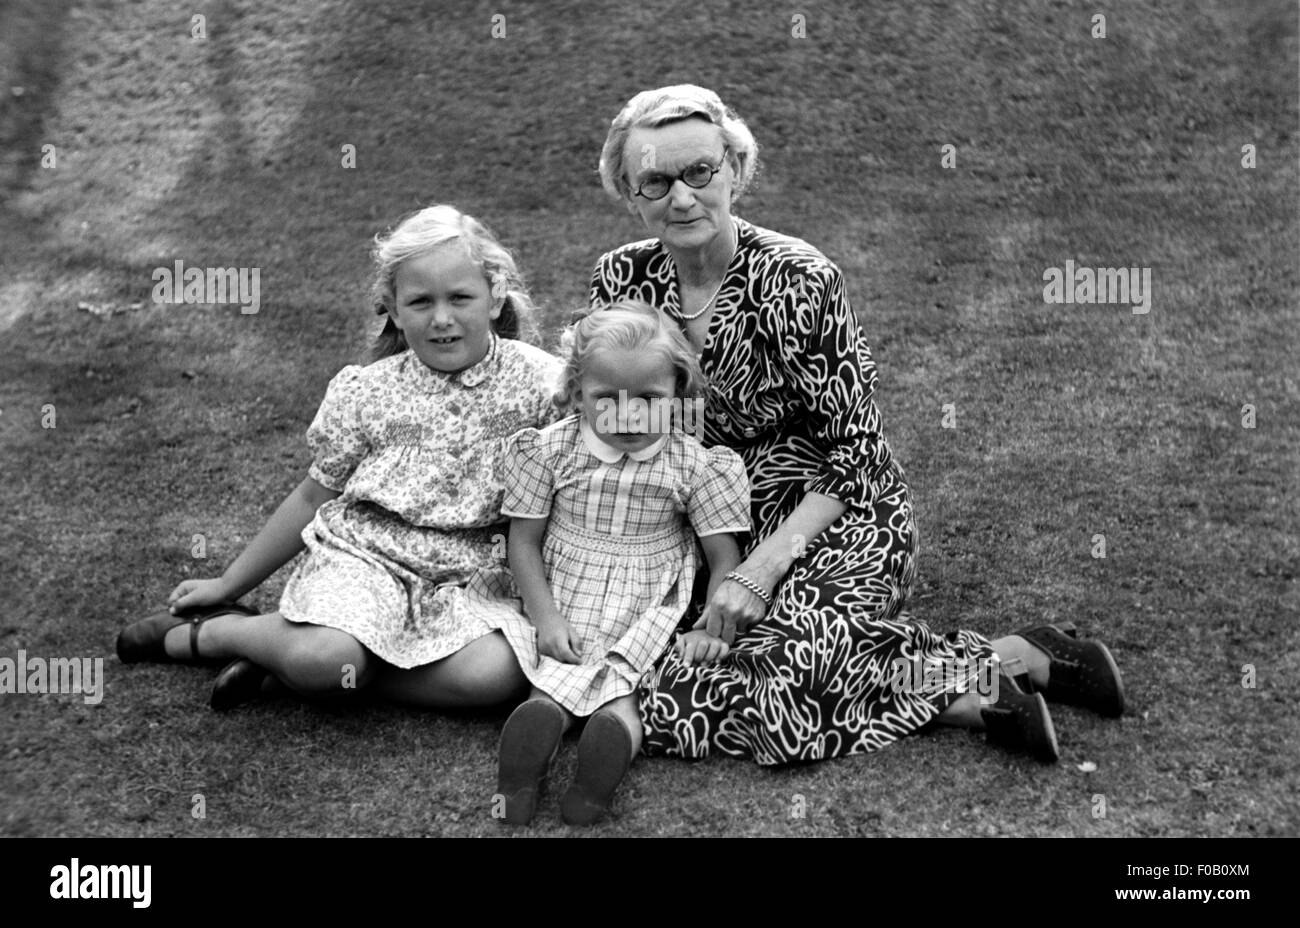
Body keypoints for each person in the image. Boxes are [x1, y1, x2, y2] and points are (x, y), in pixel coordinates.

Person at [589, 84, 1126, 766]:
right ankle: (987, 680)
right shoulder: (619, 280)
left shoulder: (800, 278)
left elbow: (853, 451)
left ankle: (1008, 661)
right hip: (703, 519)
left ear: (735, 169)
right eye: (656, 181)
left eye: (700, 171)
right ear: (630, 193)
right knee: (654, 665)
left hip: (834, 511)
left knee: (783, 668)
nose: (683, 197)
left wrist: (760, 570)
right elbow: (605, 409)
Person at [115, 204, 562, 712]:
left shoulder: (544, 384)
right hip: (368, 562)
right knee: (327, 660)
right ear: (393, 309)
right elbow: (313, 494)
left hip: (474, 576)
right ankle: (221, 632)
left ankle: (294, 676)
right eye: (420, 302)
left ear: (495, 294)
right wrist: (228, 582)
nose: (442, 319)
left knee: (495, 677)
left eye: (460, 297)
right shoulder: (367, 392)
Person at [486, 299, 750, 825]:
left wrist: (713, 629)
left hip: (650, 595)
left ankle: (596, 778)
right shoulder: (548, 451)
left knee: (630, 687)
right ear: (577, 392)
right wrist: (545, 617)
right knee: (556, 672)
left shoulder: (696, 465)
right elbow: (523, 543)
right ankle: (521, 771)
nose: (628, 416)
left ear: (679, 391)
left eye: (649, 398)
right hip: (567, 586)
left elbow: (724, 556)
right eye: (607, 398)